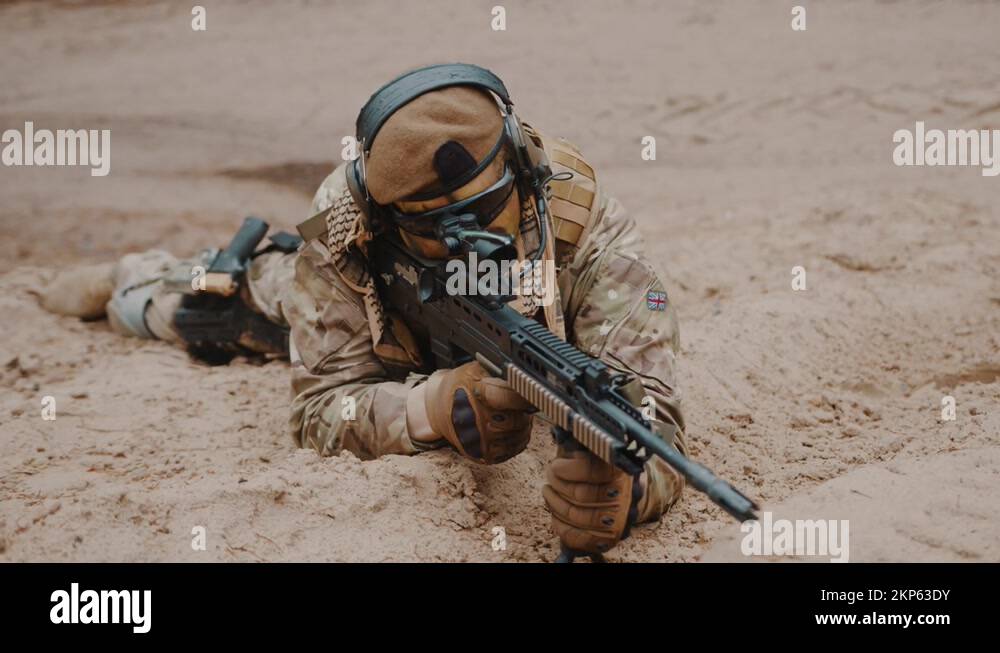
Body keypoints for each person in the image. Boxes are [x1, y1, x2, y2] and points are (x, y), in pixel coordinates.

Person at [41, 64, 687, 555]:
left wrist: (631, 489)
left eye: (492, 227)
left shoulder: (582, 219)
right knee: (232, 310)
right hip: (386, 332)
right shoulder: (349, 226)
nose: (478, 259)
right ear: (390, 223)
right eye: (443, 240)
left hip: (528, 323)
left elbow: (652, 408)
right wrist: (430, 407)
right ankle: (137, 280)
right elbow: (319, 408)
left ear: (521, 171)